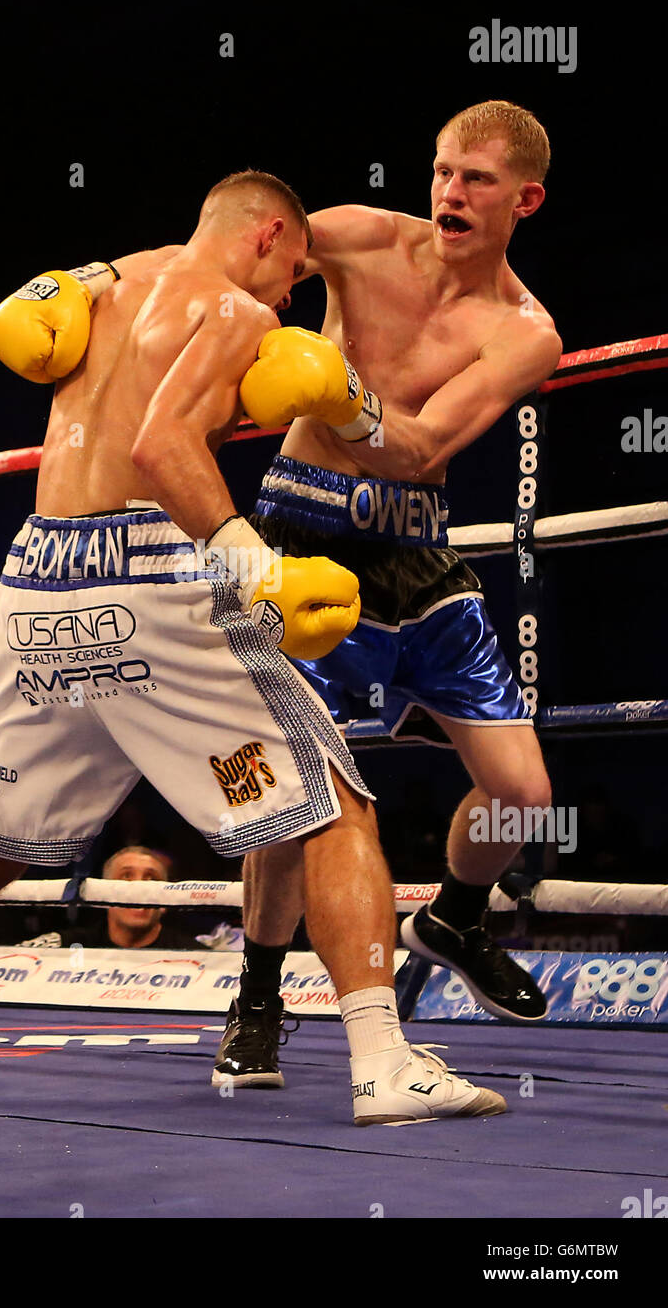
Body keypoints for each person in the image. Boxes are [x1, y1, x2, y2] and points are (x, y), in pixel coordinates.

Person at [0, 170, 504, 1123]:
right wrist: (250, 563)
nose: (292, 296)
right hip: (148, 578)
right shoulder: (233, 311)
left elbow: (50, 348)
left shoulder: (104, 281)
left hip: (35, 588)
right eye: (293, 270)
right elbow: (160, 447)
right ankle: (383, 1065)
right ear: (265, 235)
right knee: (335, 808)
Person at [219, 101, 561, 1084]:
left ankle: (453, 918)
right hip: (303, 532)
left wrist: (334, 389)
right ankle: (256, 996)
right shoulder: (364, 240)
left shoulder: (527, 333)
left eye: (478, 180)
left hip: (413, 543)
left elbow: (421, 443)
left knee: (524, 796)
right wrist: (121, 284)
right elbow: (242, 243)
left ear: (524, 199)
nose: (450, 192)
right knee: (299, 799)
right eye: (444, 170)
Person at [22, 846, 206, 950]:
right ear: (101, 893)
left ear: (166, 903)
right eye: (126, 876)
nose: (139, 888)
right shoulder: (61, 946)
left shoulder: (195, 956)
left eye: (152, 879)